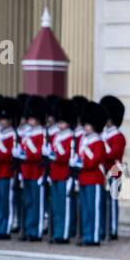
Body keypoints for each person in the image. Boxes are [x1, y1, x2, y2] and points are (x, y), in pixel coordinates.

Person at [76, 101, 108, 246]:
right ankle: (87, 235)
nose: (86, 126)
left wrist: (81, 161)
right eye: (85, 124)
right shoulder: (84, 140)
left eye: (88, 124)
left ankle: (94, 237)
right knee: (85, 210)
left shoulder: (98, 142)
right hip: (83, 178)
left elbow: (94, 160)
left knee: (93, 210)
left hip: (94, 178)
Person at [16, 96, 48, 240]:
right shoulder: (26, 132)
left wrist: (27, 148)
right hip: (26, 172)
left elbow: (38, 154)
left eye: (33, 117)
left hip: (36, 172)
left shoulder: (42, 133)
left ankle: (36, 232)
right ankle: (28, 230)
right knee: (28, 203)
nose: (30, 120)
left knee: (37, 204)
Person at [46, 97, 77, 243]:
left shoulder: (71, 137)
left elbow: (66, 157)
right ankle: (57, 232)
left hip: (65, 175)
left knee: (64, 207)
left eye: (63, 121)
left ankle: (63, 234)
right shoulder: (57, 136)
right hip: (55, 174)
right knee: (56, 207)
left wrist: (54, 155)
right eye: (60, 121)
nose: (60, 124)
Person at [0, 98, 18, 239]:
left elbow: (10, 154)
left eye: (5, 119)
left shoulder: (12, 134)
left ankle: (5, 230)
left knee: (6, 202)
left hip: (7, 172)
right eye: (1, 118)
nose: (2, 121)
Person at [99, 95, 126, 240]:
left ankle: (113, 228)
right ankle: (103, 227)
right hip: (103, 170)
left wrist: (102, 147)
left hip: (114, 171)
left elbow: (113, 154)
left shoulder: (118, 136)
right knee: (102, 200)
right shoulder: (103, 134)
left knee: (113, 200)